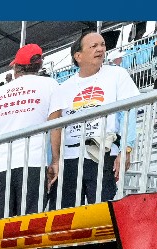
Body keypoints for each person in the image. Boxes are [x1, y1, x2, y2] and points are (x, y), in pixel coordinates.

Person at [53, 29, 140, 207]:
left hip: (102, 153)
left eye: (102, 45)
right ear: (78, 55)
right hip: (70, 158)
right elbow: (55, 125)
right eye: (93, 46)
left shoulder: (117, 74)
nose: (100, 49)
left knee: (102, 210)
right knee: (66, 214)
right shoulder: (64, 87)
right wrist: (54, 160)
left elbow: (129, 111)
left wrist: (126, 149)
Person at [0, 44, 62, 219]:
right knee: (30, 223)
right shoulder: (49, 84)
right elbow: (55, 125)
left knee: (1, 226)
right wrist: (56, 161)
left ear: (16, 67)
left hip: (0, 169)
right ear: (39, 64)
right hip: (32, 164)